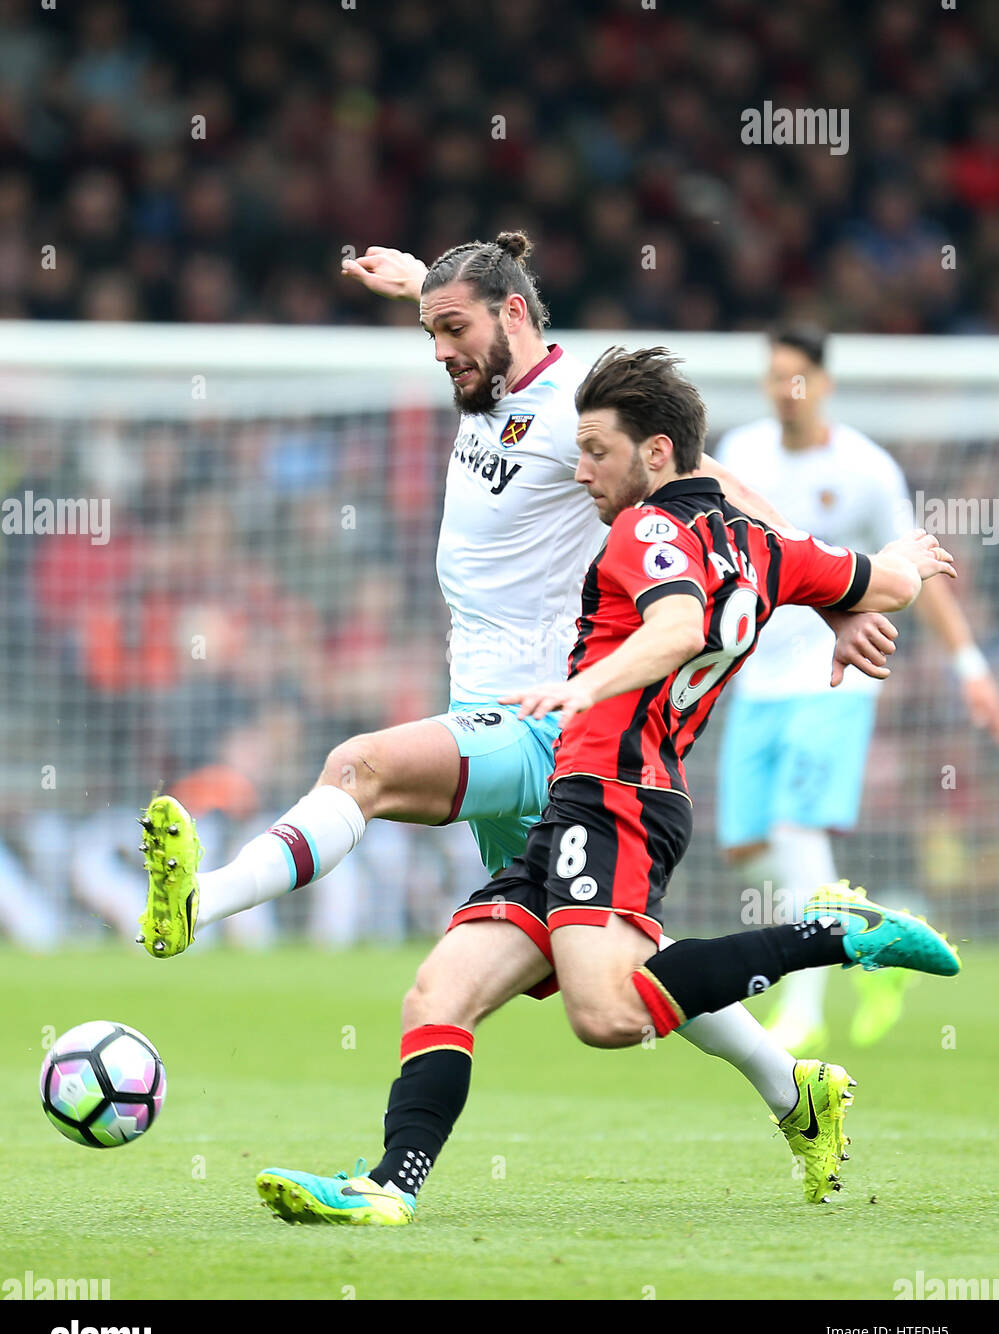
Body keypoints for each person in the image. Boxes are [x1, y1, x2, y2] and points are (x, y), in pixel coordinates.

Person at [137, 235, 891, 1199]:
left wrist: (834, 595)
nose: (441, 349)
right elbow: (466, 311)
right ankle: (795, 1093)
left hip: (550, 719)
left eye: (453, 330)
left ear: (514, 317)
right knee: (605, 974)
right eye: (430, 333)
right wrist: (422, 285)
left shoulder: (579, 407)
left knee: (359, 768)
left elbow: (727, 498)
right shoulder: (491, 368)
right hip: (510, 731)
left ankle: (199, 903)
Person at [254, 346, 960, 1226]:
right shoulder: (773, 549)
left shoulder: (645, 529)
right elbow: (881, 584)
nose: (580, 470)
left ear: (656, 454)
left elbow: (672, 626)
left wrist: (583, 685)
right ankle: (385, 1190)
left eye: (595, 450)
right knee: (440, 993)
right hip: (580, 798)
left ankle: (835, 933)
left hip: (618, 792)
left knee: (609, 1014)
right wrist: (902, 562)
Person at [713, 325, 999, 1051]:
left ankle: (805, 1001)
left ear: (823, 383)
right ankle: (875, 937)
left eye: (796, 376)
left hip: (838, 674)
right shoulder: (742, 455)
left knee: (791, 827)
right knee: (746, 845)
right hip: (755, 677)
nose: (784, 390)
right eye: (773, 376)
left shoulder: (864, 469)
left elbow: (916, 572)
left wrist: (969, 665)